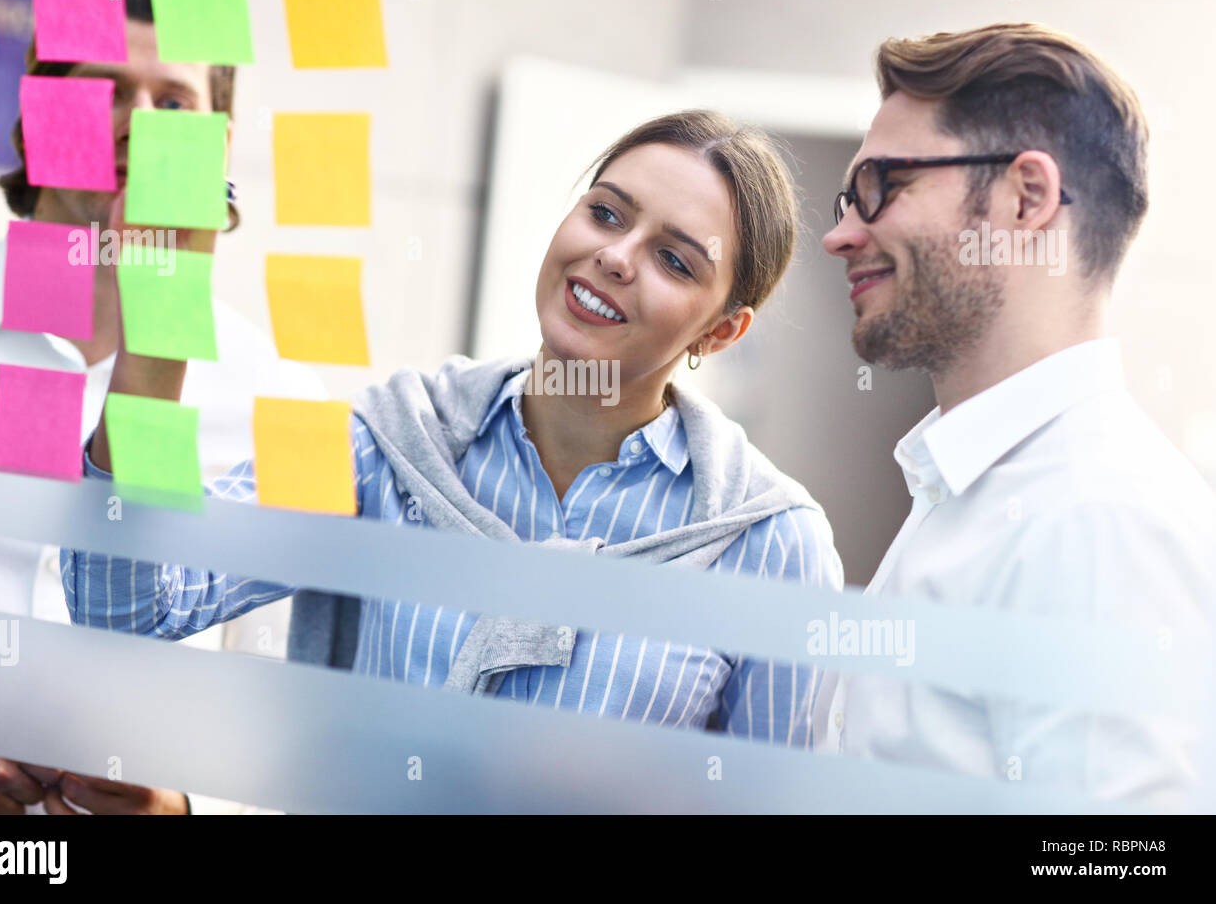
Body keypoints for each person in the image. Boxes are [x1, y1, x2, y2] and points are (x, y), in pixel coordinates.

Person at [62, 108, 846, 761]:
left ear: (721, 331)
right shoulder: (387, 443)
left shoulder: (768, 548)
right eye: (605, 212)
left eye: (674, 260)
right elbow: (133, 606)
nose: (614, 255)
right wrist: (158, 320)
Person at [0, 0, 317, 815]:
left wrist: (183, 808)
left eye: (174, 102)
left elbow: (292, 722)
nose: (138, 124)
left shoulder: (287, 407)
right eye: (103, 89)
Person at [815, 22, 1215, 808]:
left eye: (880, 187)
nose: (838, 235)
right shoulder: (978, 487)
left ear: (1026, 198)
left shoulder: (1093, 520)